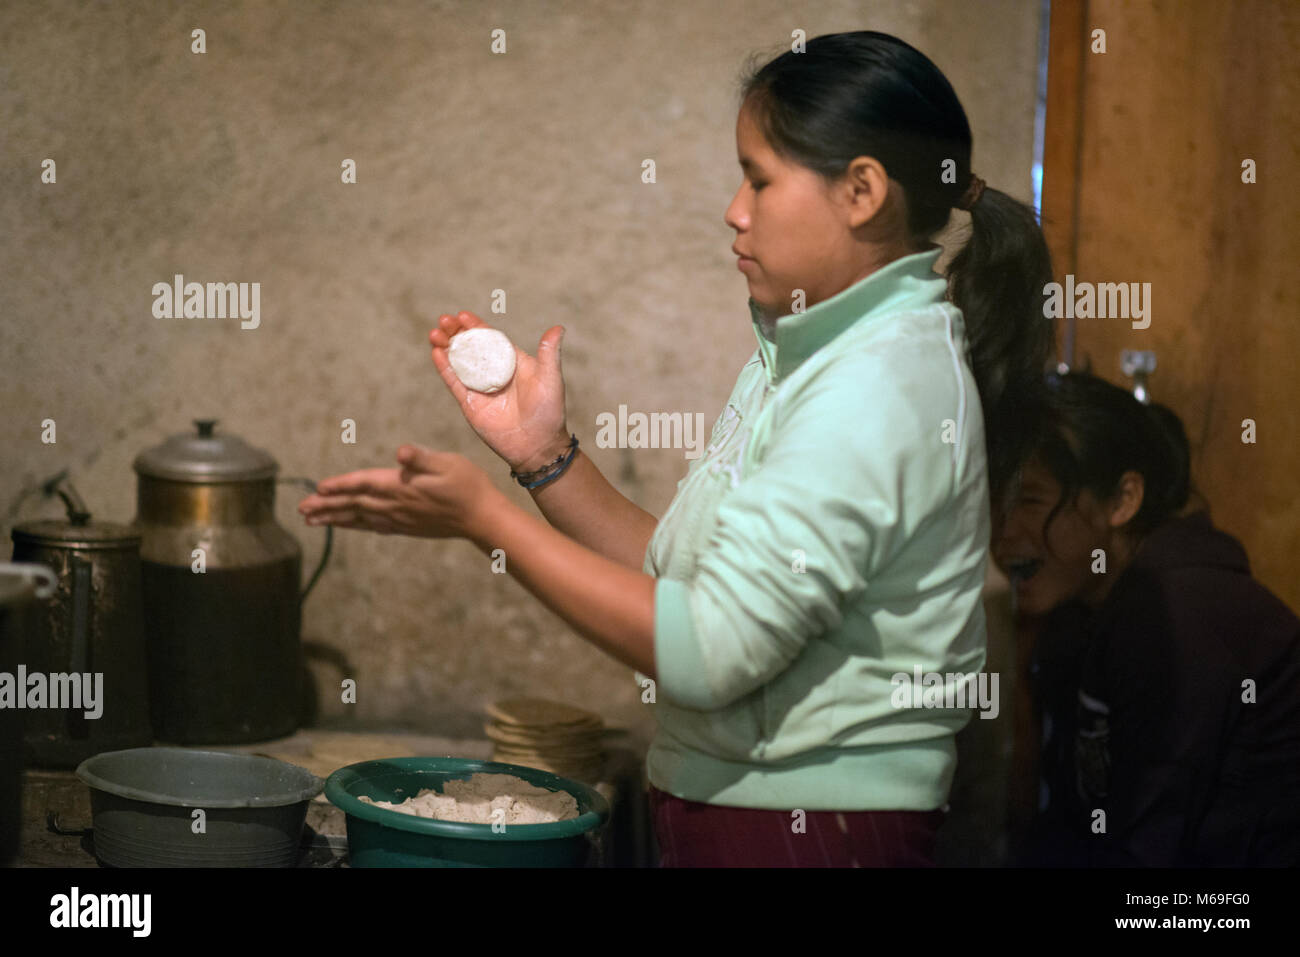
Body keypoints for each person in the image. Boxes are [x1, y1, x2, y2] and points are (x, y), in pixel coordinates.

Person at [298, 30, 1054, 866]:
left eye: (760, 179)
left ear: (862, 191)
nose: (735, 209)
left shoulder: (875, 386)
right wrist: (544, 455)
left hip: (809, 834)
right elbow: (681, 578)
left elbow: (706, 651)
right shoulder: (810, 352)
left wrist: (486, 521)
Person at [993, 370, 1300, 866]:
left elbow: (1147, 851)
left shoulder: (1184, 613)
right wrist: (1023, 678)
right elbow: (1061, 821)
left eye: (1029, 500)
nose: (1002, 532)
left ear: (1122, 501)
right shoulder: (1081, 611)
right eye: (997, 502)